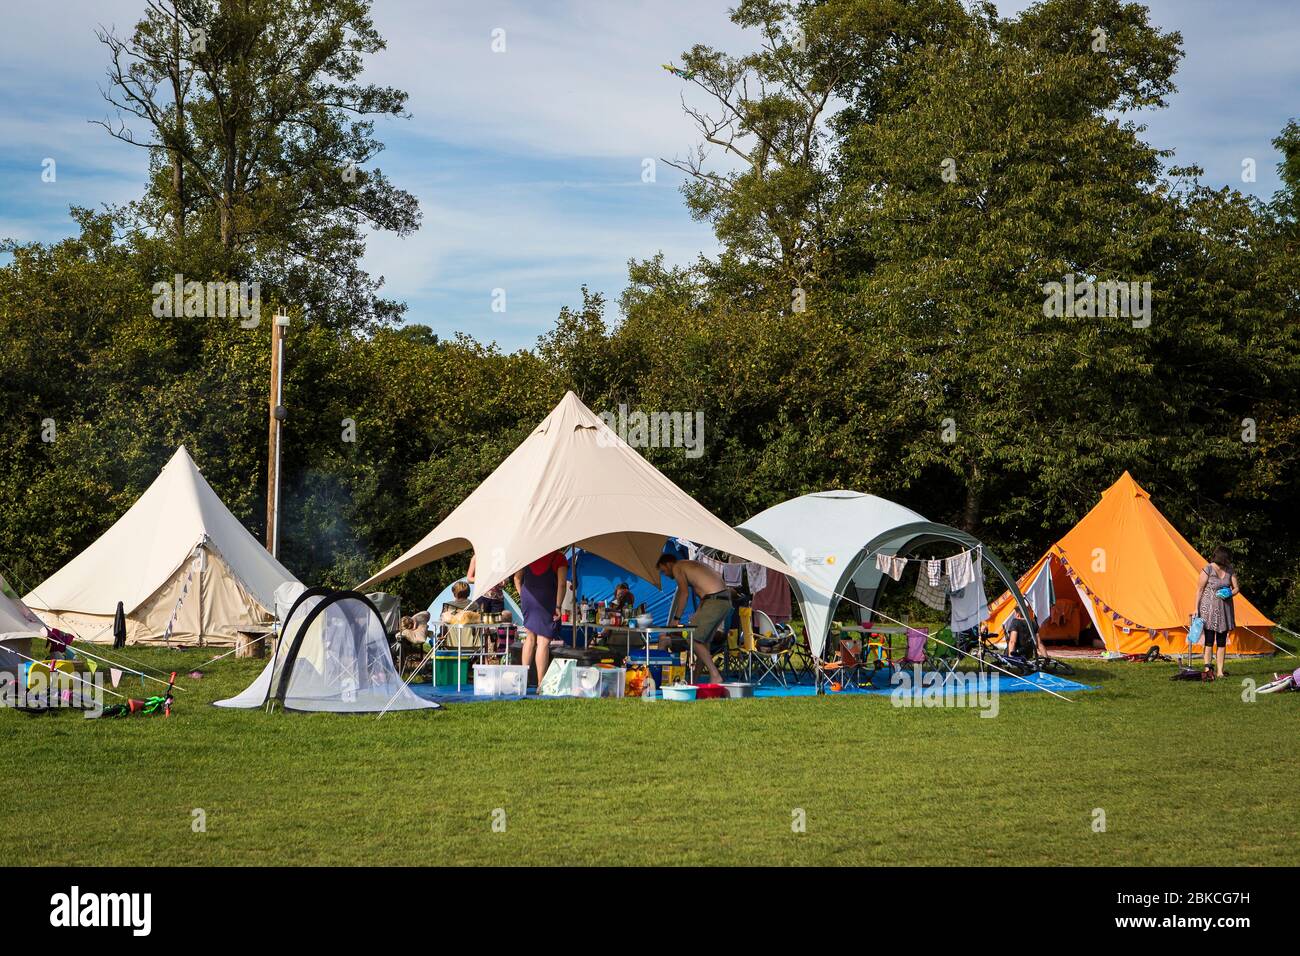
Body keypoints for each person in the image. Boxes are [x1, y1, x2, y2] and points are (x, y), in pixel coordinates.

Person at [656, 552, 728, 684]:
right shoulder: (690, 567)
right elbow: (703, 596)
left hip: (715, 599)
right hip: (723, 600)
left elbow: (684, 594)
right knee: (703, 642)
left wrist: (676, 618)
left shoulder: (678, 567)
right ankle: (694, 680)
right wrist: (697, 615)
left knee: (692, 638)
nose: (665, 574)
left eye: (663, 570)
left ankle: (715, 675)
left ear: (668, 564)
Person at [514, 550, 568, 688]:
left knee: (529, 638)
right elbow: (562, 584)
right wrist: (558, 606)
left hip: (528, 597)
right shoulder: (559, 557)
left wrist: (524, 597)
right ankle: (540, 684)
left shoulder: (529, 554)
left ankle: (522, 682)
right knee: (543, 641)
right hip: (547, 599)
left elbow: (517, 578)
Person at [1194, 546, 1238, 679]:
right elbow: (1199, 590)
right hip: (1208, 610)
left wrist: (1230, 592)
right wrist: (1196, 609)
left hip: (1224, 611)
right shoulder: (1207, 570)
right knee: (1208, 641)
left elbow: (1236, 588)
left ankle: (1220, 671)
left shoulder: (1230, 570)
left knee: (1221, 641)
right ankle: (1208, 669)